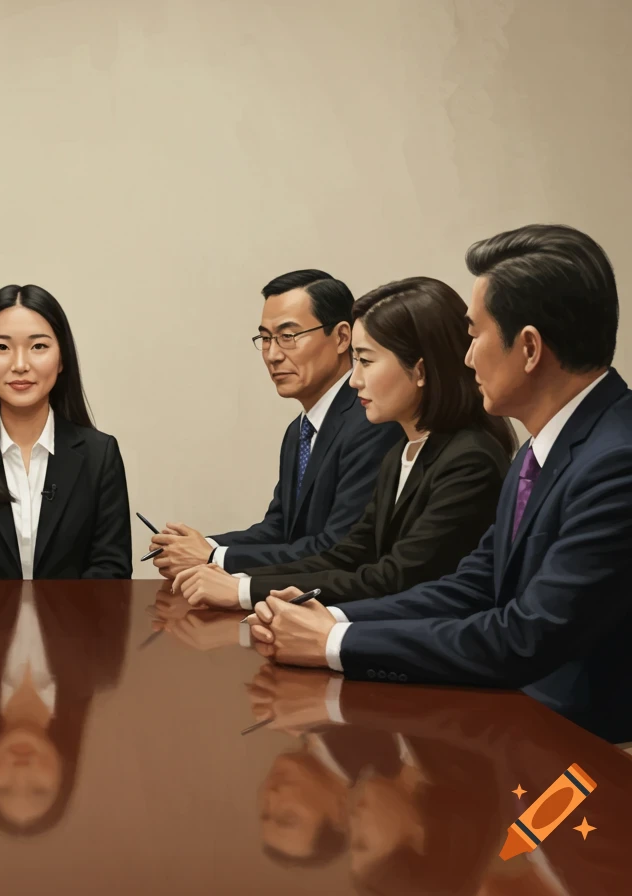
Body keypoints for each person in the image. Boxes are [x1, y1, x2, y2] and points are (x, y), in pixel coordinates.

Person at [247, 224, 632, 743]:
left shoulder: (617, 461)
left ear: (530, 348)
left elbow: (523, 636)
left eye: (474, 335)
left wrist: (336, 640)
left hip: (588, 755)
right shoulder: (542, 449)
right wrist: (325, 616)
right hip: (520, 721)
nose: (467, 356)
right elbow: (471, 586)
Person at [173, 277, 514, 609]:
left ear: (420, 371)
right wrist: (236, 580)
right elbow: (345, 556)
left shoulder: (470, 459)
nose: (354, 379)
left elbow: (393, 578)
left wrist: (242, 589)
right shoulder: (402, 452)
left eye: (365, 361)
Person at [149, 270, 404, 577]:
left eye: (288, 336)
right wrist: (197, 546)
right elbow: (279, 530)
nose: (272, 354)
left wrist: (215, 556)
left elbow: (339, 546)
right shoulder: (300, 430)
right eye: (266, 338)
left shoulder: (371, 421)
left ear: (341, 338)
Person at [0, 285, 132, 579]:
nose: (20, 365)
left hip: (75, 626)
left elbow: (111, 570)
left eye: (38, 346)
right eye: (2, 347)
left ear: (62, 358)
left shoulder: (100, 455)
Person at [0, 581, 129, 834]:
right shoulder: (101, 668)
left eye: (3, 789)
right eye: (39, 790)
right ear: (64, 774)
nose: (21, 771)